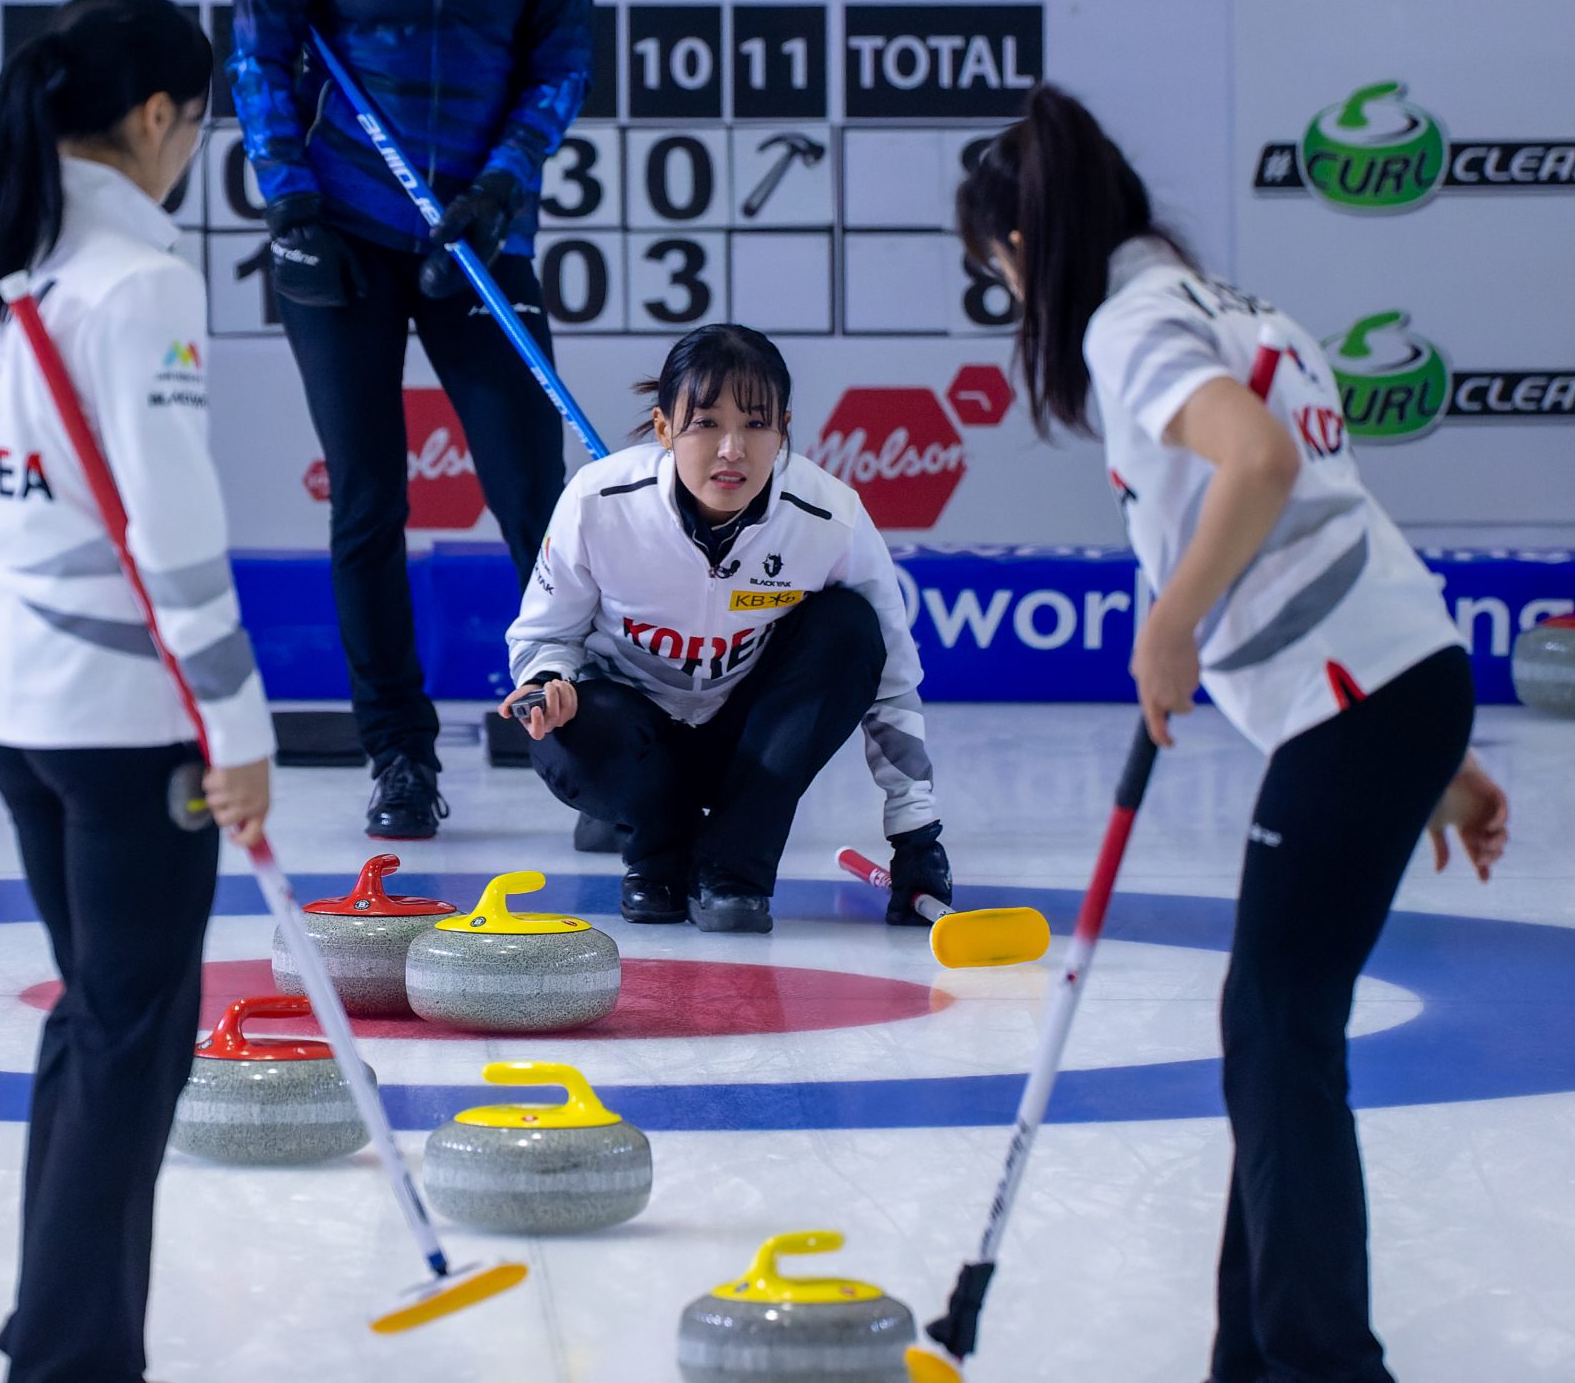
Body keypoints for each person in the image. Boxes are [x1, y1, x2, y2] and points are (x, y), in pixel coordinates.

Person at [956, 84, 1511, 1383]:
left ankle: (1321, 1363)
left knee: (1278, 1025)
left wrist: (1171, 624)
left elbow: (1259, 461)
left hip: (1361, 698)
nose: (1009, 294)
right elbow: (1322, 499)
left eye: (997, 272)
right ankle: (1255, 1356)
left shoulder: (1131, 323)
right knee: (1275, 1023)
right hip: (1395, 684)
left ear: (1024, 246)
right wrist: (1434, 754)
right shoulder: (1231, 305)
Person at [0, 0, 276, 1383]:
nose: (191, 154)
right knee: (134, 1038)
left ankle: (50, 1317)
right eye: (196, 128)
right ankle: (71, 1358)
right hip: (127, 722)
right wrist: (239, 727)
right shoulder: (141, 283)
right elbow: (173, 534)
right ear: (155, 116)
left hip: (7, 708)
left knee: (101, 1013)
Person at [231, 0, 594, 840]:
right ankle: (399, 756)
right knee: (367, 501)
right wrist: (291, 202)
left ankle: (591, 751)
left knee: (535, 498)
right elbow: (259, 49)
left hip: (479, 231)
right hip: (341, 231)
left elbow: (562, 59)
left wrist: (501, 186)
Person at [499, 324, 955, 933]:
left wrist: (916, 834)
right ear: (664, 428)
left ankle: (733, 871)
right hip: (636, 739)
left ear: (783, 430)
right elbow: (543, 636)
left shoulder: (830, 517)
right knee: (574, 723)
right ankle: (657, 856)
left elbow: (891, 681)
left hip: (749, 749)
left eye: (756, 424)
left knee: (850, 627)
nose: (732, 449)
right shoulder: (597, 501)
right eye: (706, 423)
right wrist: (547, 681)